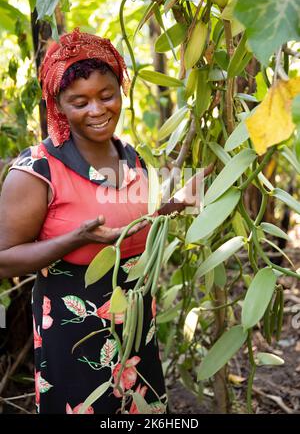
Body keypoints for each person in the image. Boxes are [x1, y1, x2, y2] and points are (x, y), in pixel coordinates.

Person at [0, 28, 210, 414]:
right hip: (73, 330)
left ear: (121, 90)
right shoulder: (36, 171)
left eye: (106, 96)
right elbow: (4, 258)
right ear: (58, 105)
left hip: (134, 321)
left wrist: (174, 206)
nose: (96, 110)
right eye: (79, 101)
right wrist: (75, 240)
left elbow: (131, 225)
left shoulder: (132, 158)